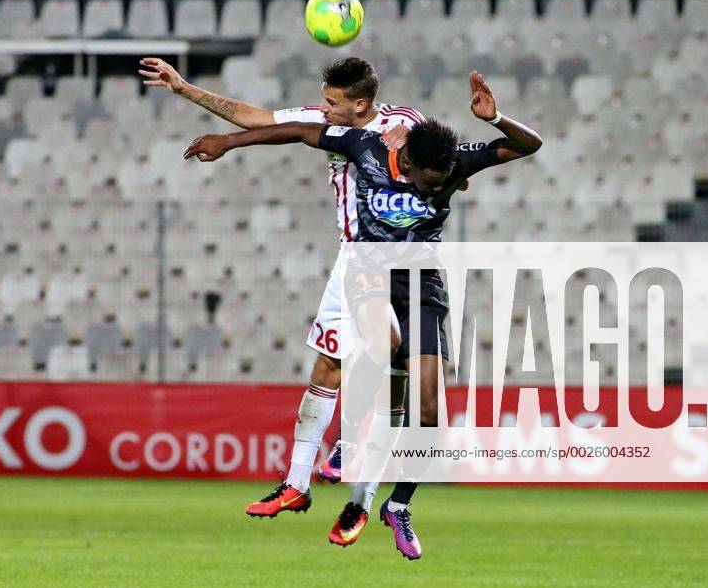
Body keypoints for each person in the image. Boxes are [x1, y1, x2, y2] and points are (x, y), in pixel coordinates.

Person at [184, 71, 543, 559]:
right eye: (427, 181)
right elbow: (296, 130)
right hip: (367, 272)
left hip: (421, 284)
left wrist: (495, 118)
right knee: (377, 345)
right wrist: (228, 141)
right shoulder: (364, 147)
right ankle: (342, 448)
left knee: (429, 408)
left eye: (441, 183)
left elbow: (529, 144)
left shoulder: (450, 160)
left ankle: (397, 505)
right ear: (407, 162)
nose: (436, 189)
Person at [141, 56, 421, 536]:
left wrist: (412, 143)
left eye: (331, 102)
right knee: (327, 366)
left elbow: (445, 155)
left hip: (401, 264)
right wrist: (185, 89)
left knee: (390, 369)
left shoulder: (405, 121)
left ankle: (361, 500)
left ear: (361, 105)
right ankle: (296, 484)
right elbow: (259, 118)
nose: (322, 108)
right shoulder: (326, 121)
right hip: (352, 259)